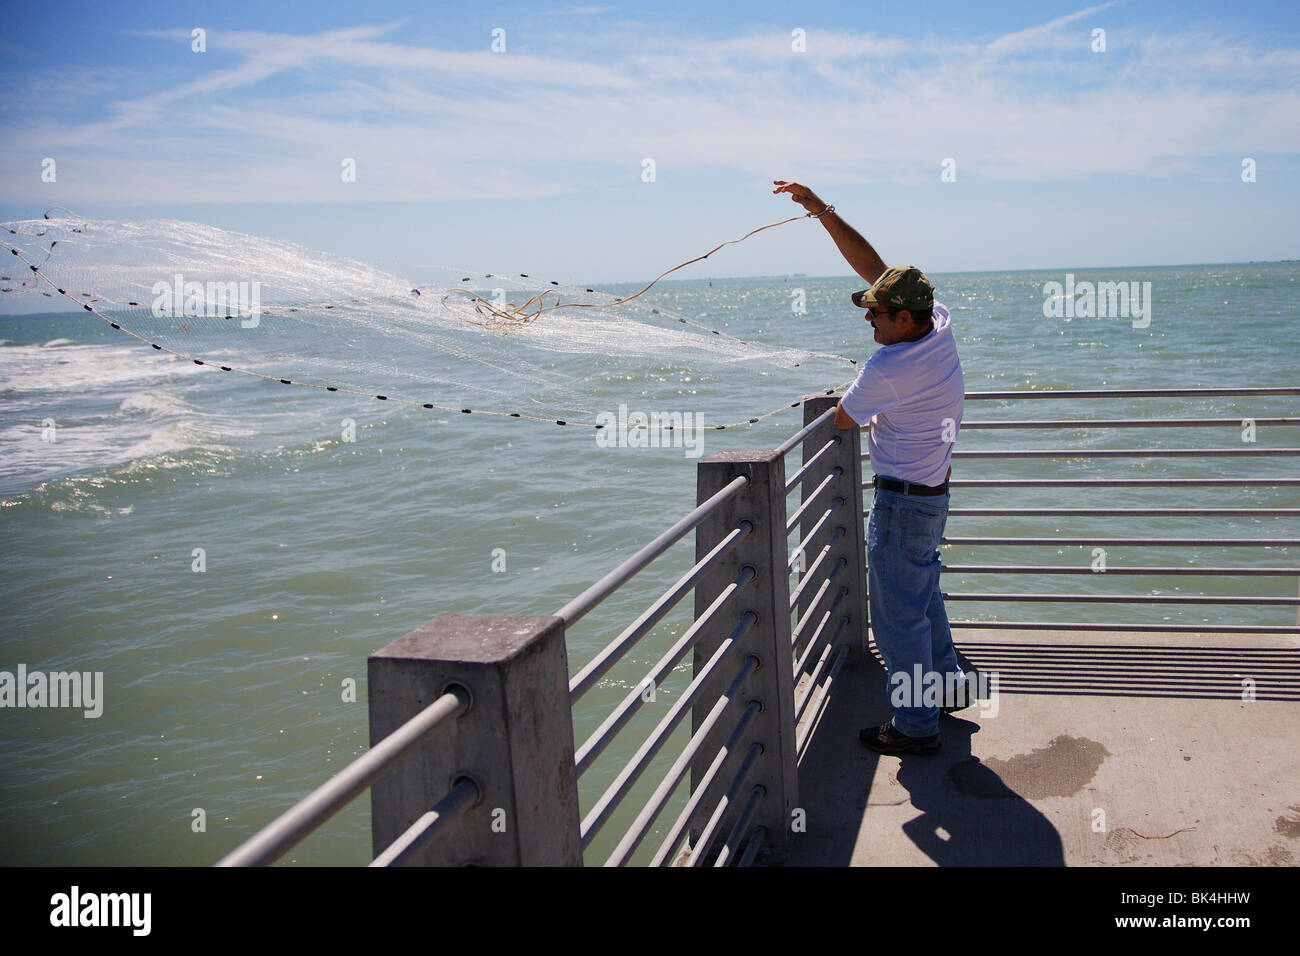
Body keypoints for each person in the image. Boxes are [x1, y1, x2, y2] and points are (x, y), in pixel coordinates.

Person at [774, 180, 970, 755]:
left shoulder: (889, 365)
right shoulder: (937, 322)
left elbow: (842, 420)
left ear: (903, 321)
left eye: (877, 314)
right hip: (932, 497)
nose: (870, 320)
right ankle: (950, 689)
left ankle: (915, 728)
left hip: (903, 503)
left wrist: (845, 398)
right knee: (924, 597)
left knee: (896, 621)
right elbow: (875, 268)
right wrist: (822, 212)